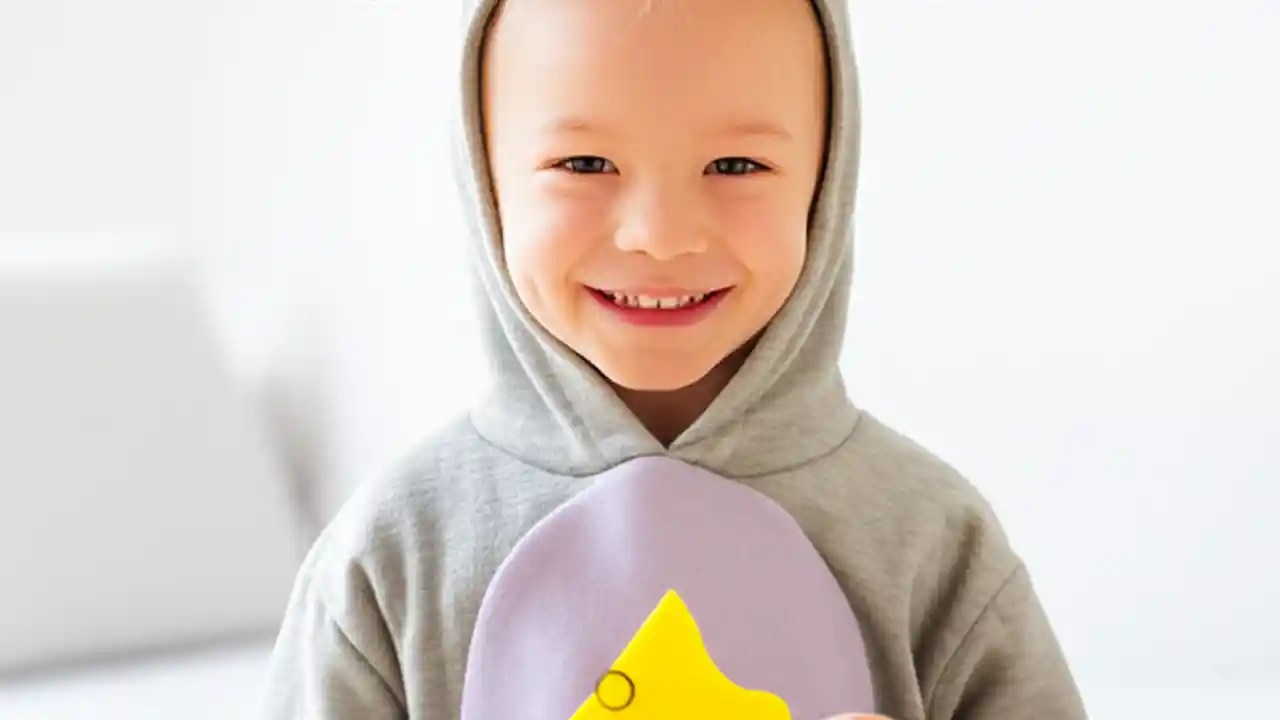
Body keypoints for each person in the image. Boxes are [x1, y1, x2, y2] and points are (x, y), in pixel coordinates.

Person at [261, 0, 1088, 718]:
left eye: (736, 165)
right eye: (584, 164)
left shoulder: (932, 539)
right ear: (486, 179)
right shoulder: (392, 551)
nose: (659, 234)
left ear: (826, 180)